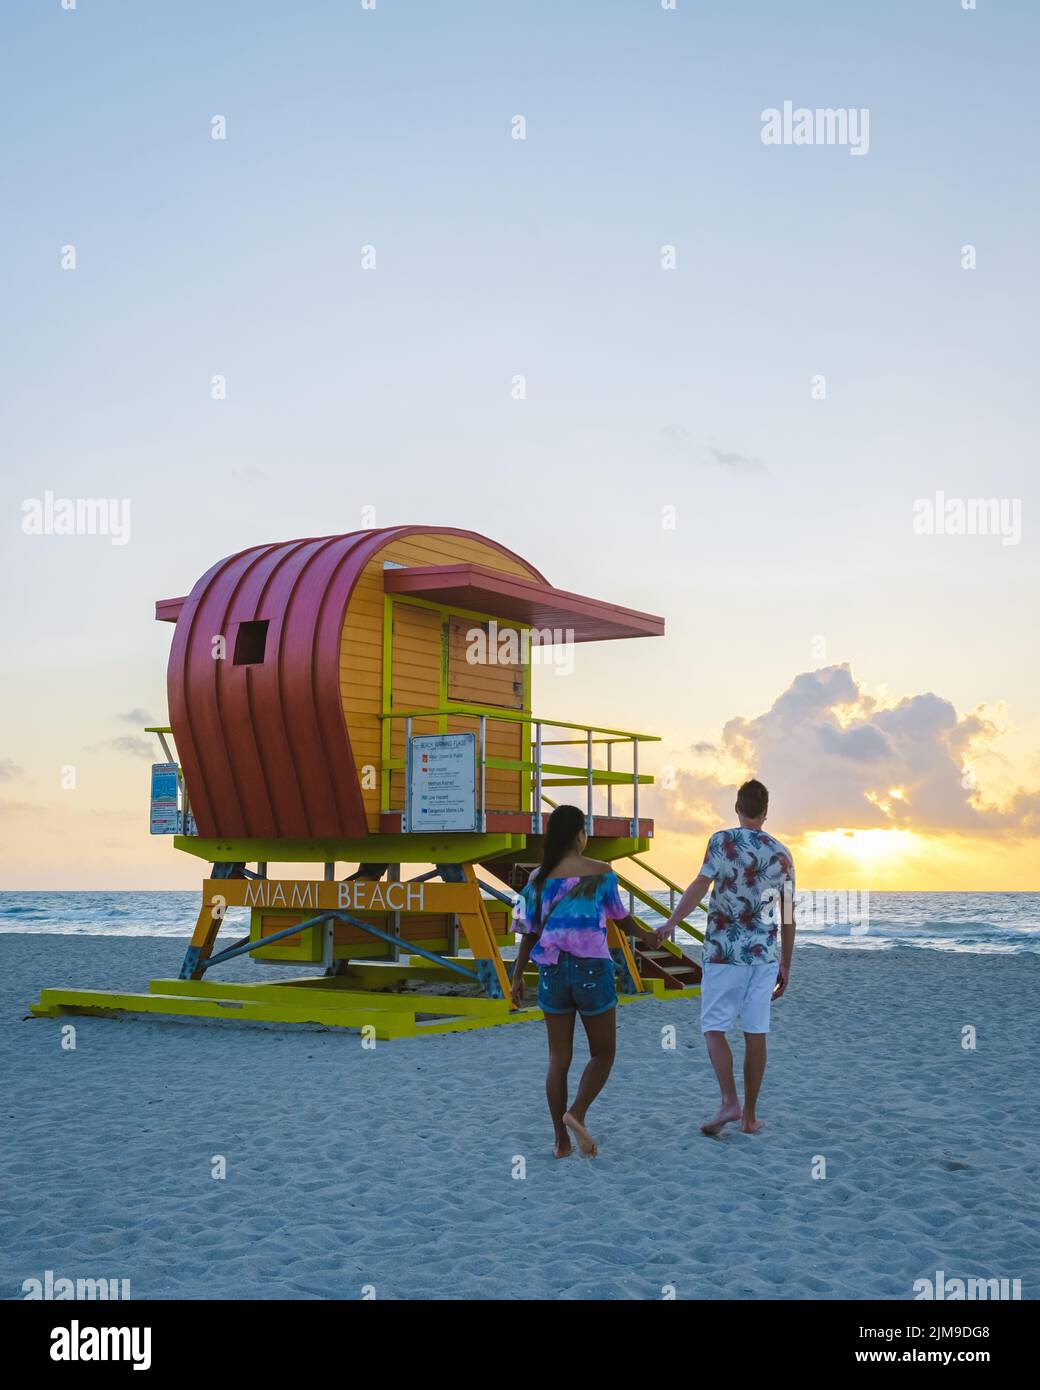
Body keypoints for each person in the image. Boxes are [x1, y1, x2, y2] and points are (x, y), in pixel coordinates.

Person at [510, 803, 652, 1158]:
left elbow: (527, 931)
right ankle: (577, 1112)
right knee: (603, 1053)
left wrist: (515, 976)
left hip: (552, 971)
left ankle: (560, 1141)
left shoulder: (537, 879)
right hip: (591, 969)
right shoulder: (602, 873)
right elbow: (623, 920)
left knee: (558, 1059)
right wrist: (652, 937)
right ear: (579, 835)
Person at [656, 779, 796, 1136]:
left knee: (714, 1029)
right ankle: (748, 1117)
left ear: (737, 807)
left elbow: (701, 884)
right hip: (763, 957)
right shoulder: (782, 854)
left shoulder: (722, 841)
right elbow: (789, 914)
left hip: (723, 952)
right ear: (765, 812)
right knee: (756, 1032)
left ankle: (729, 1101)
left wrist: (672, 921)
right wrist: (787, 964)